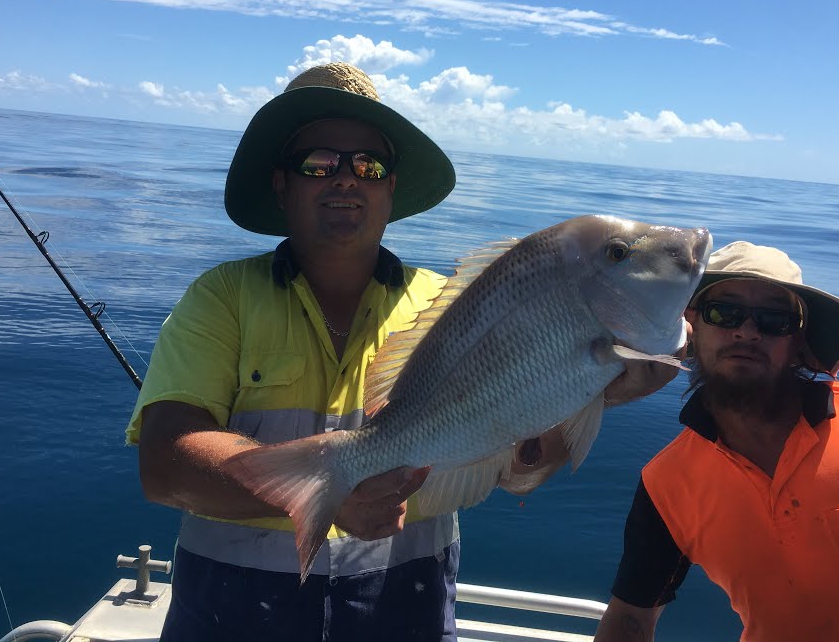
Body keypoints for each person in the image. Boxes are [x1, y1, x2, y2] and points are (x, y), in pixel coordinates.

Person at [123, 62, 669, 642]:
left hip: (402, 607)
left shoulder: (449, 304)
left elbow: (518, 471)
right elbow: (165, 465)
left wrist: (590, 394)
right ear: (282, 183)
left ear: (390, 187)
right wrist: (323, 499)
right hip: (229, 613)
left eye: (369, 165)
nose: (345, 179)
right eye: (318, 164)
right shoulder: (221, 298)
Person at [594, 241, 839, 642]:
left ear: (800, 343)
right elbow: (630, 620)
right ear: (690, 328)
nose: (747, 331)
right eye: (724, 312)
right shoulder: (666, 484)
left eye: (774, 320)